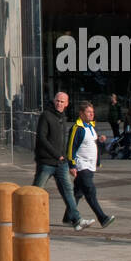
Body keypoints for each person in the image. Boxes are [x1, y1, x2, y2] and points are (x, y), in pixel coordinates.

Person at [32, 91, 93, 231]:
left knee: (68, 191)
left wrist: (65, 158)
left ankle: (77, 220)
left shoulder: (62, 117)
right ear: (54, 101)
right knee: (35, 191)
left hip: (61, 163)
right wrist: (56, 154)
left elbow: (62, 141)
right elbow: (42, 138)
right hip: (47, 162)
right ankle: (24, 216)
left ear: (66, 104)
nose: (59, 103)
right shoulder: (46, 115)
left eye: (62, 101)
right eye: (57, 101)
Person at [62, 102, 116, 229]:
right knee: (90, 191)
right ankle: (102, 218)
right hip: (82, 165)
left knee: (77, 192)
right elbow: (71, 148)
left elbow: (93, 145)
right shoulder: (77, 128)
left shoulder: (90, 126)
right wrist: (72, 165)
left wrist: (101, 141)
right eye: (88, 112)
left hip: (90, 166)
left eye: (92, 112)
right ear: (81, 114)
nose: (92, 114)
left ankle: (68, 217)